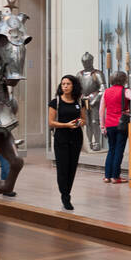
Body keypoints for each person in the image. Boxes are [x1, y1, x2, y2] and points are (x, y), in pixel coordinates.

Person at [48, 74, 85, 210]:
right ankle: (65, 195)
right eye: (63, 84)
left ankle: (67, 191)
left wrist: (81, 122)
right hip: (61, 138)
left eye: (68, 84)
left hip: (76, 138)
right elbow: (51, 123)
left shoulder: (79, 101)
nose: (65, 86)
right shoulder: (55, 102)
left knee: (72, 167)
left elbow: (84, 119)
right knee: (63, 168)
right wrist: (66, 125)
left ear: (73, 85)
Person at [100, 71, 131, 183]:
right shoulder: (125, 91)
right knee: (119, 150)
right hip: (121, 124)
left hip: (109, 124)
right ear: (124, 80)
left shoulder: (106, 92)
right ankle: (115, 176)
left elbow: (101, 111)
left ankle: (107, 176)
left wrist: (102, 126)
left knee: (111, 149)